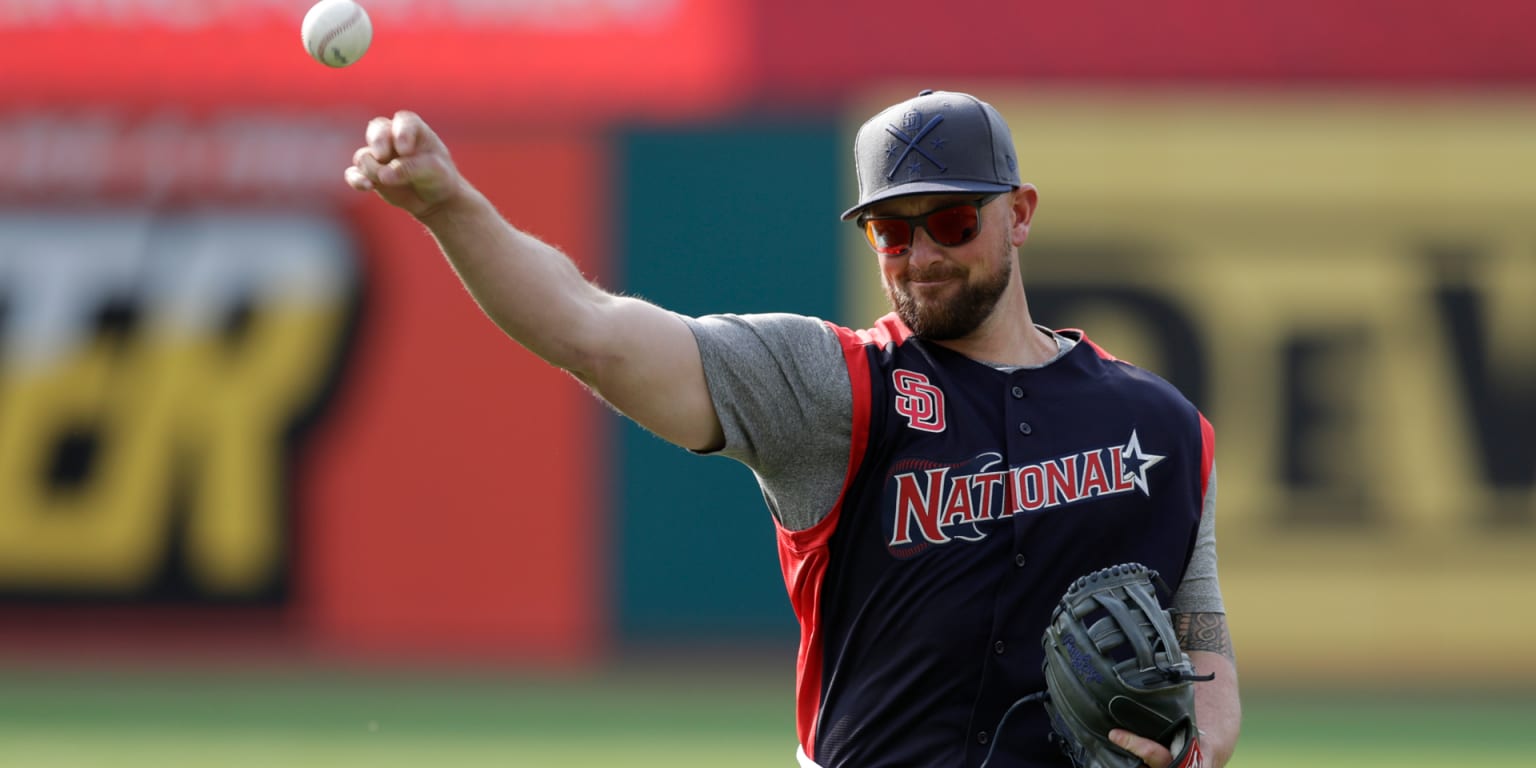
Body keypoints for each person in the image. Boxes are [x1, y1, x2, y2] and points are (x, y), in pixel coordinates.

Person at [344, 89, 1241, 768]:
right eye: (893, 230)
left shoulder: (1156, 423)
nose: (922, 254)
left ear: (1022, 213)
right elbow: (594, 333)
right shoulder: (834, 389)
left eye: (954, 220)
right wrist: (449, 206)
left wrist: (1193, 749)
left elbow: (1202, 645)